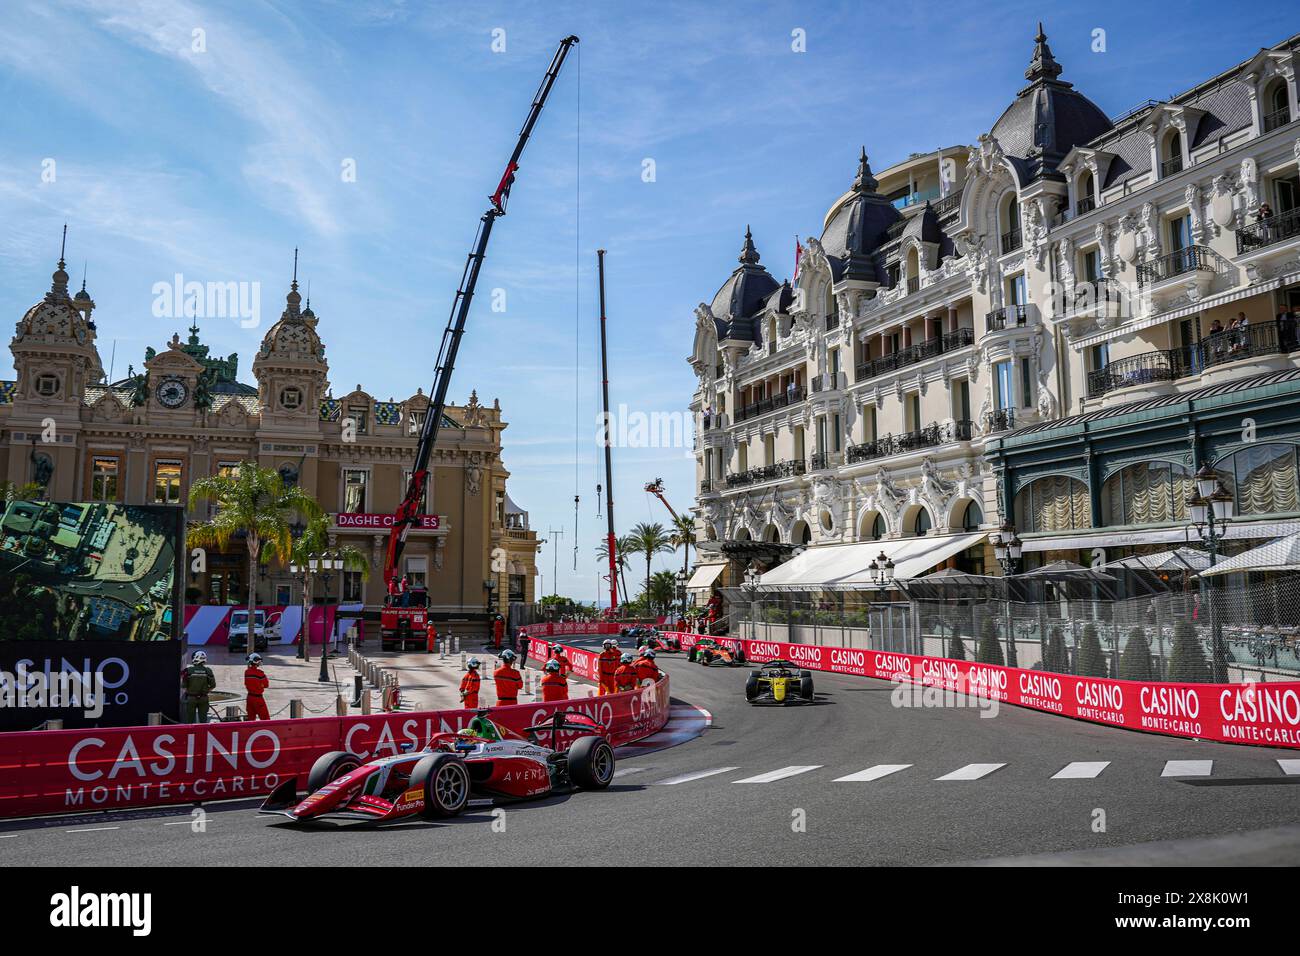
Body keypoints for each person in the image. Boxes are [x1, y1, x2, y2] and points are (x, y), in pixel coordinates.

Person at [181, 650, 216, 724]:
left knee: (190, 721)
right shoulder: (208, 671)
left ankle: (190, 734)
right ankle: (203, 734)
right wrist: (206, 691)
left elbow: (184, 686)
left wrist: (190, 691)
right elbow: (213, 685)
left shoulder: (188, 670)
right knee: (203, 721)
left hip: (191, 698)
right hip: (204, 698)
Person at [243, 653, 270, 721]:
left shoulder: (246, 672)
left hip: (249, 698)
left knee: (251, 719)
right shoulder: (260, 673)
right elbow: (266, 685)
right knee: (265, 719)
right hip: (258, 698)